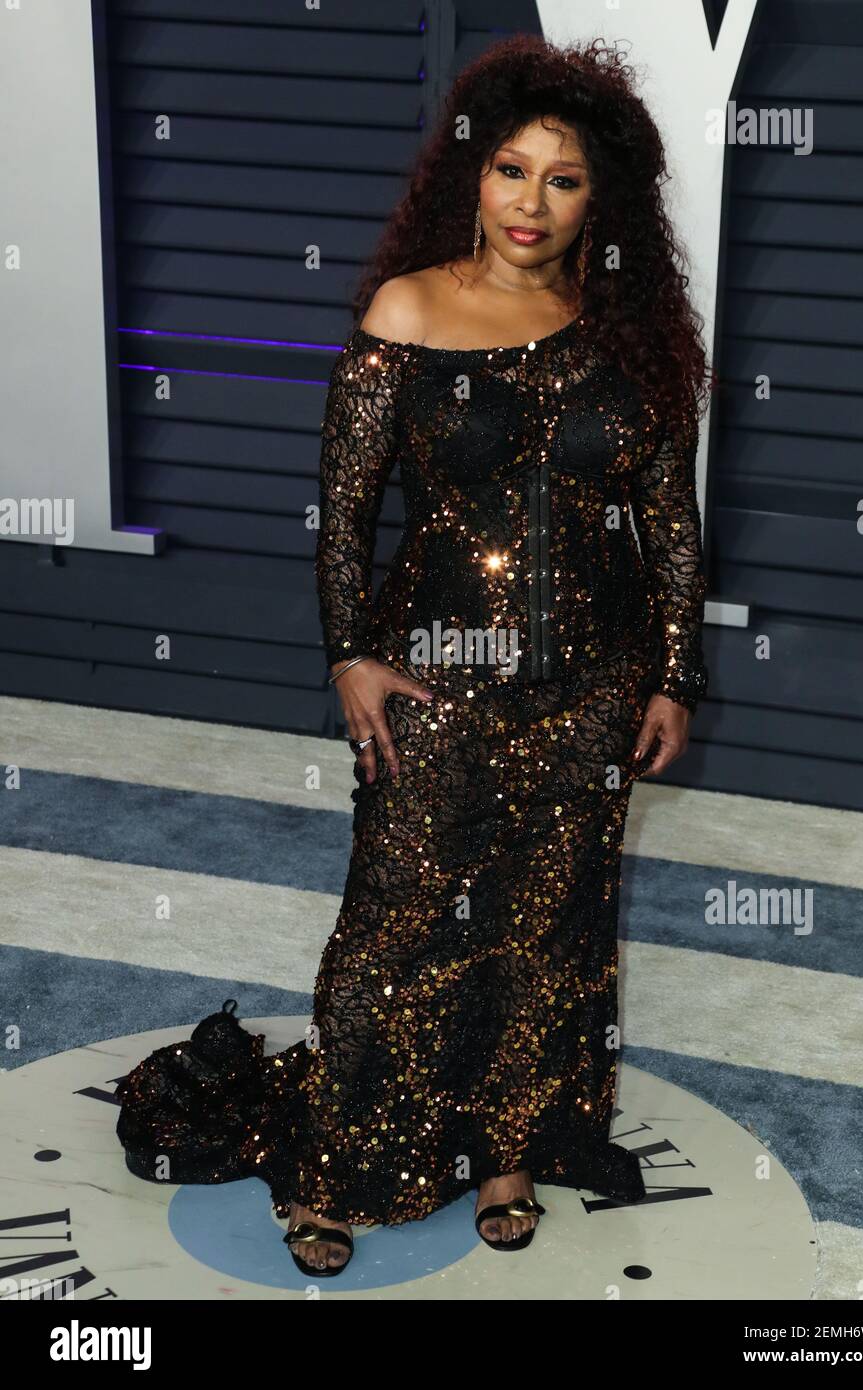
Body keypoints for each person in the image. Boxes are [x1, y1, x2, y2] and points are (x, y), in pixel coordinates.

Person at [115, 33, 710, 1277]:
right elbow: (343, 510)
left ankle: (506, 1147)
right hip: (432, 677)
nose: (530, 203)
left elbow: (665, 520)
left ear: (601, 201)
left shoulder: (630, 335)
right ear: (471, 176)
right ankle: (342, 1162)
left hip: (591, 691)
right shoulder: (408, 307)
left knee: (549, 928)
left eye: (562, 180)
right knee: (395, 929)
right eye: (510, 170)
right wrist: (349, 658)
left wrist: (670, 673)